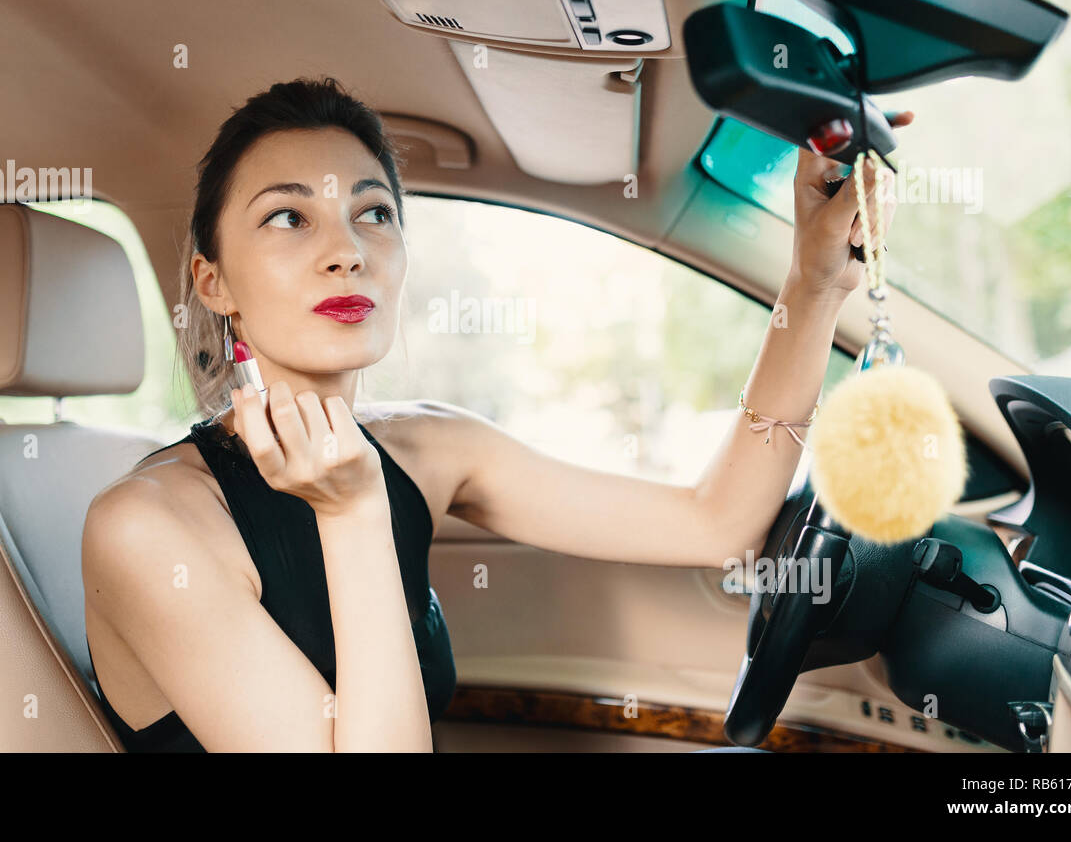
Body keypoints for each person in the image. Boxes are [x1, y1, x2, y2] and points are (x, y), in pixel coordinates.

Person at [82, 76, 910, 752]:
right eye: (288, 217)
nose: (347, 251)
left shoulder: (430, 446)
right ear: (213, 281)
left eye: (374, 213)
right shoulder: (148, 528)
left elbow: (714, 521)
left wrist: (812, 286)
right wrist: (352, 511)